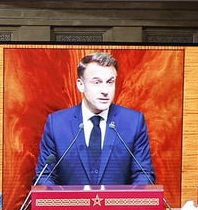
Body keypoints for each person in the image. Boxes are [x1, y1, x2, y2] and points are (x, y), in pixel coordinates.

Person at [33, 52, 155, 188]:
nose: (105, 91)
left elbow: (144, 174)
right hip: (70, 203)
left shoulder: (133, 122)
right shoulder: (57, 124)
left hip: (119, 203)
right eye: (97, 82)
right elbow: (45, 176)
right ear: (81, 85)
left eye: (110, 82)